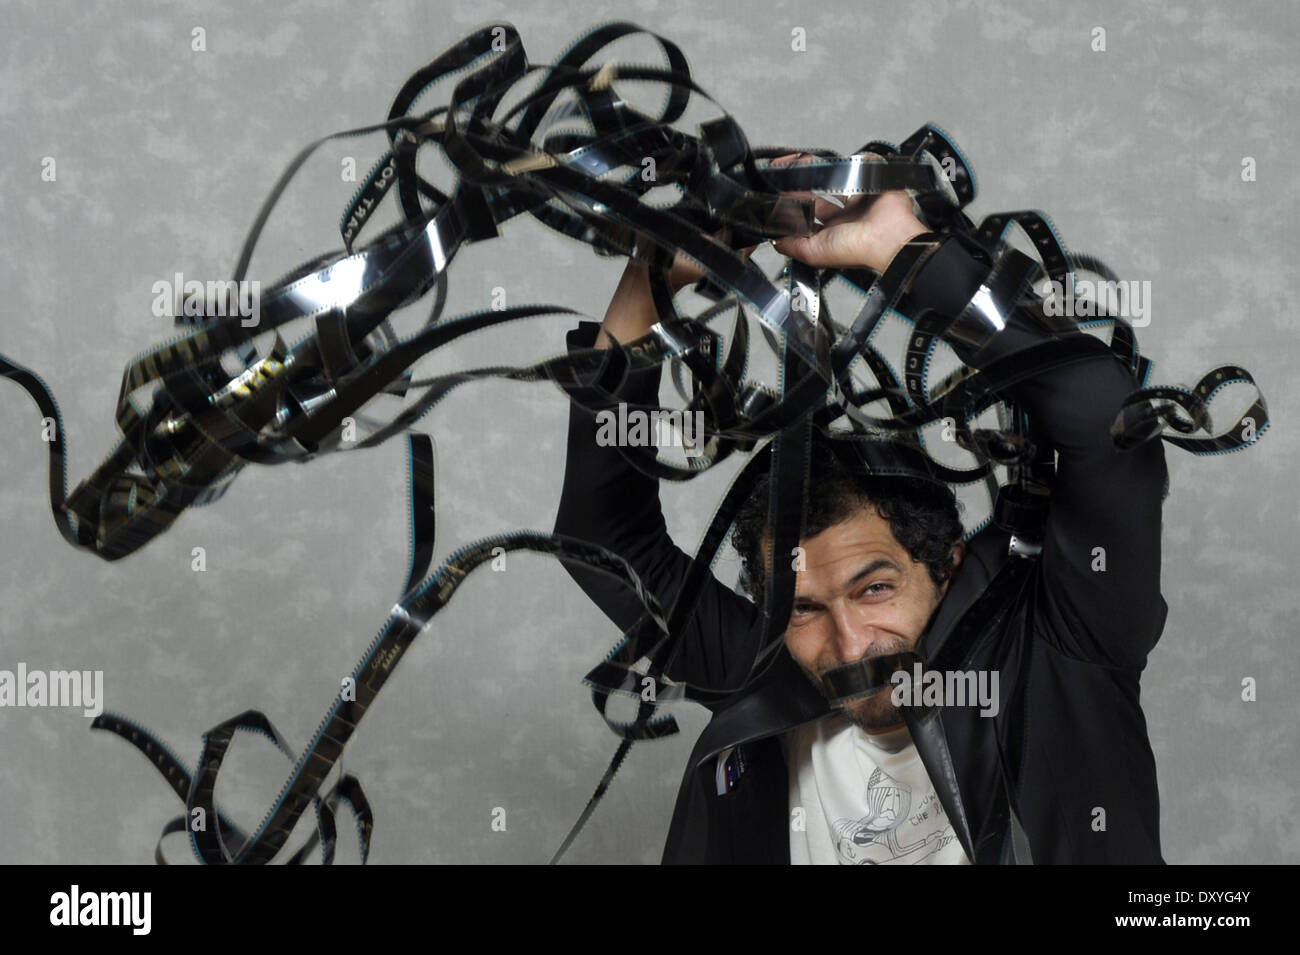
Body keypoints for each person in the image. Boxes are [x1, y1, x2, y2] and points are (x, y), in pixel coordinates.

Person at [553, 154, 1170, 864]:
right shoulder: (768, 672)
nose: (848, 646)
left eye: (874, 588)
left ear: (946, 565)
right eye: (802, 608)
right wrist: (649, 284)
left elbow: (1108, 427)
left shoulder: (1060, 646)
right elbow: (602, 538)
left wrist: (904, 251)